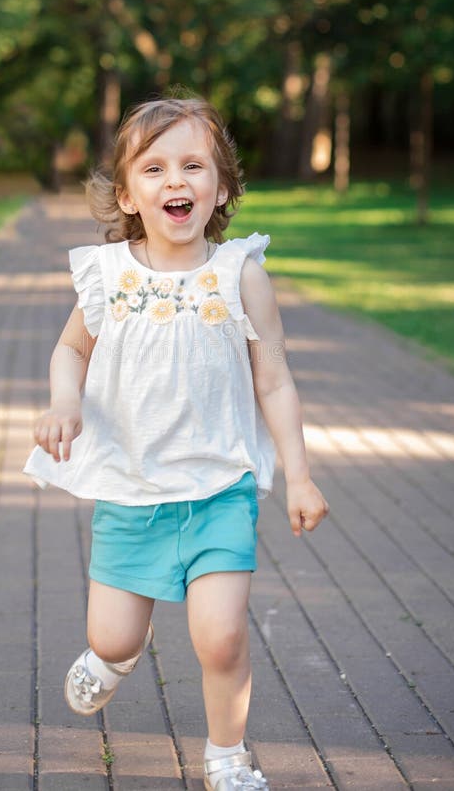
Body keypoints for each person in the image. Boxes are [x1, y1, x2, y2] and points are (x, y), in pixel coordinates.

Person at [24, 96, 329, 791]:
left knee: (220, 637)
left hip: (220, 489)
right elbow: (70, 351)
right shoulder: (109, 277)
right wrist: (64, 403)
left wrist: (301, 475)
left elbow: (275, 381)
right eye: (154, 168)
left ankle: (227, 754)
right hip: (132, 492)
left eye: (194, 165)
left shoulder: (240, 275)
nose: (176, 181)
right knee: (114, 636)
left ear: (220, 188)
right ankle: (113, 659)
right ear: (128, 195)